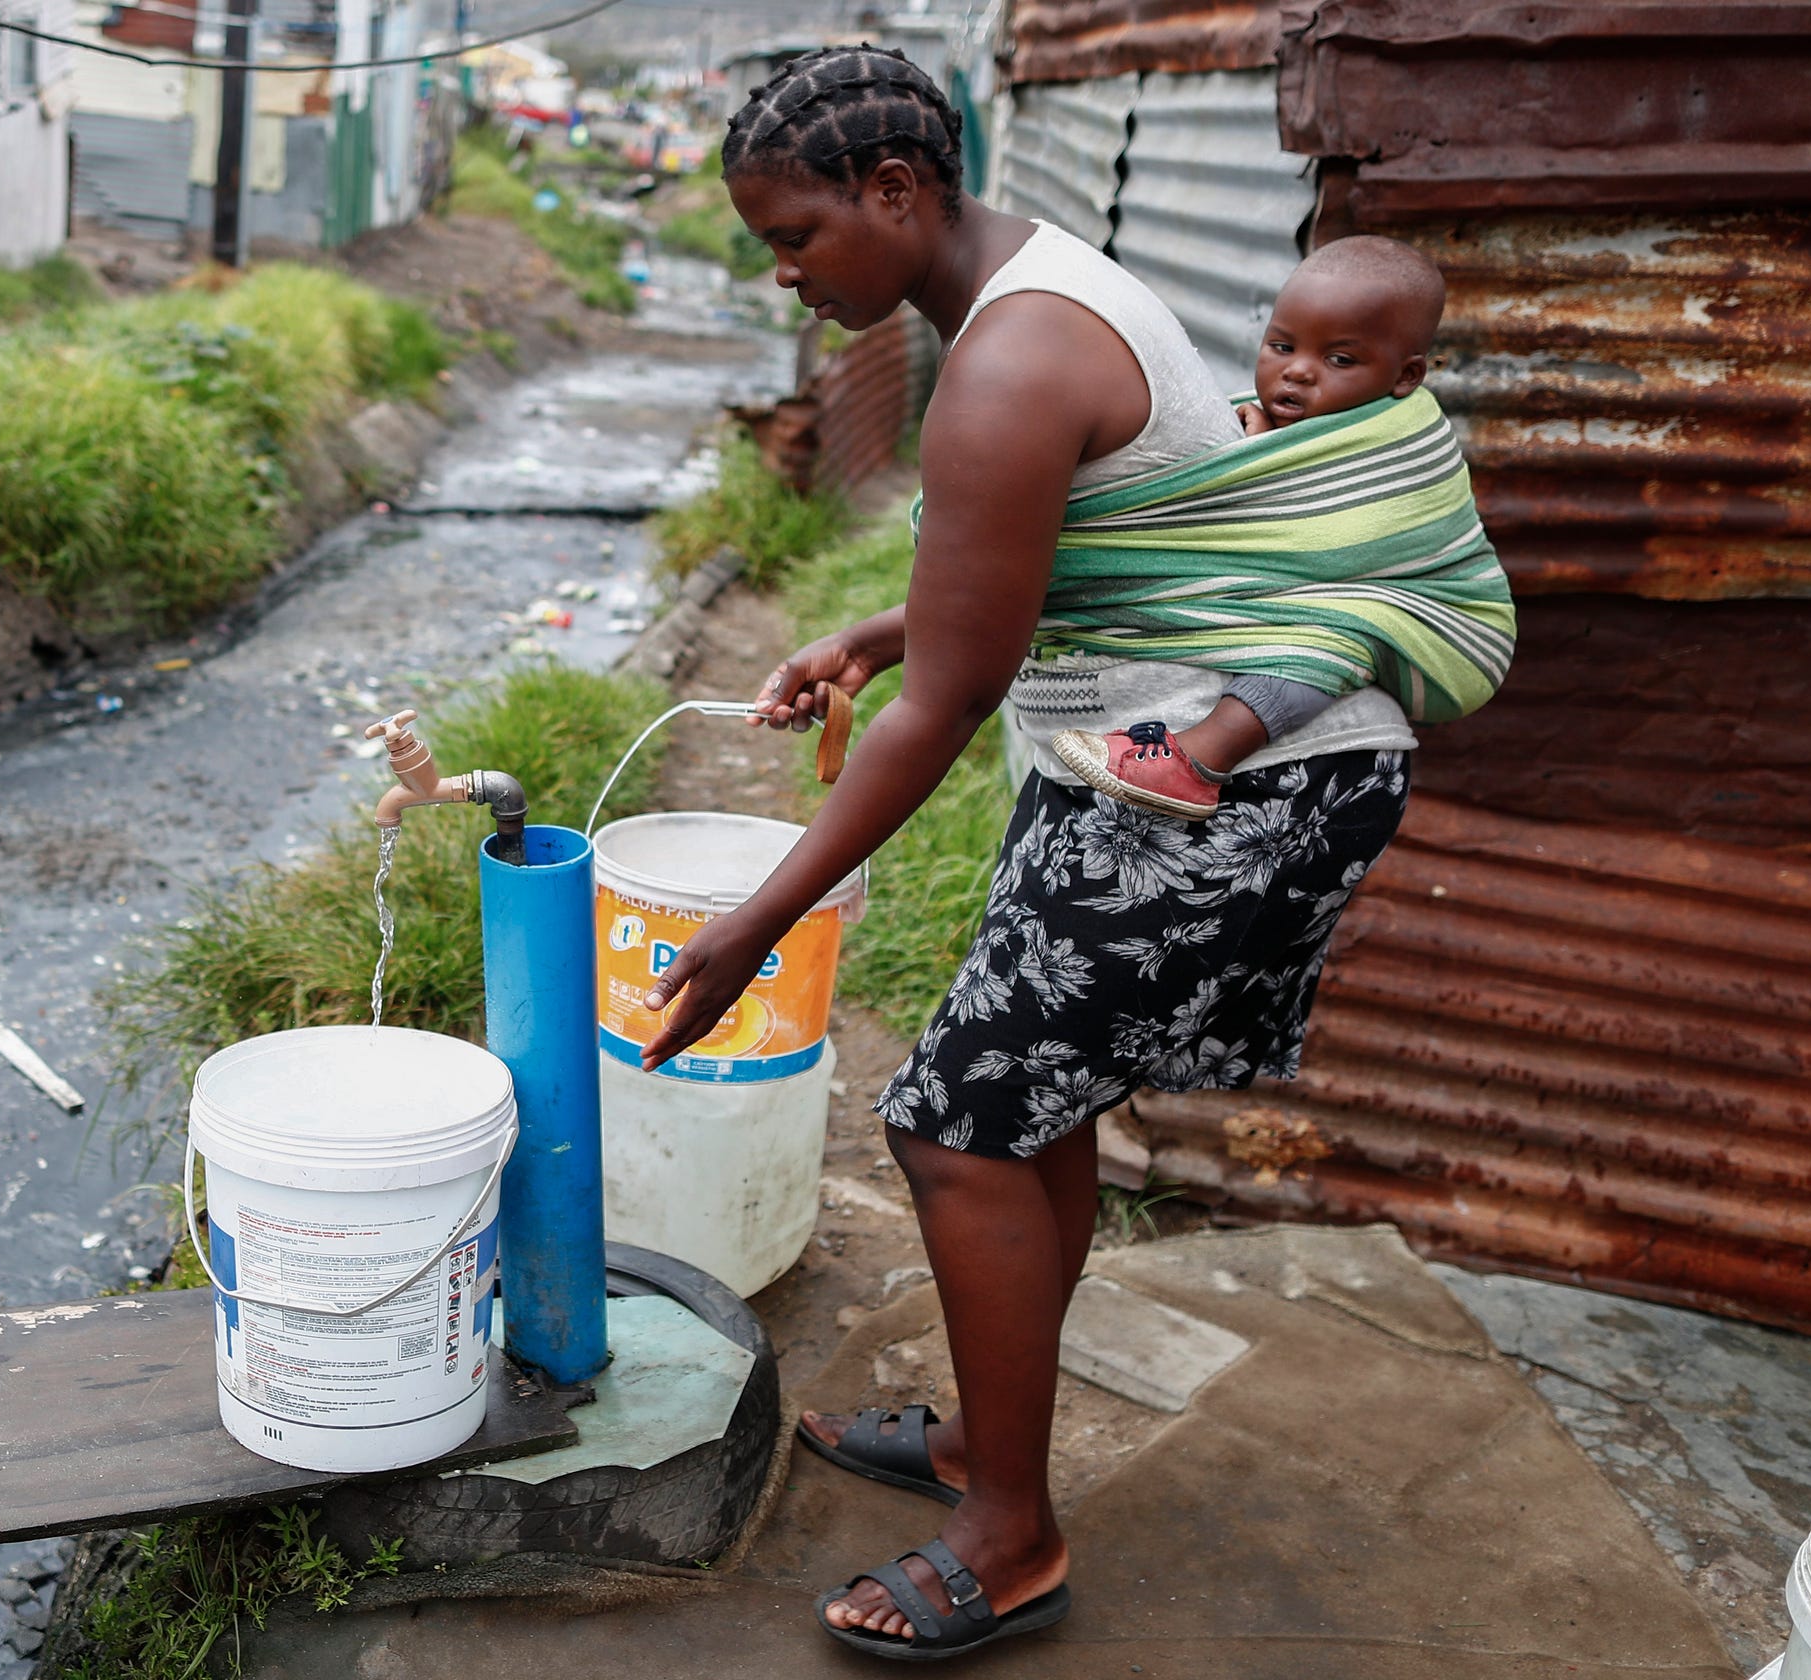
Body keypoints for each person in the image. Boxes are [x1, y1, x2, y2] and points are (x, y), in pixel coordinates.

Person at [644, 45, 1421, 1661]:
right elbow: (1032, 569)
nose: (785, 279)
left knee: (954, 1129)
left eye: (793, 239)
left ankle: (1011, 1536)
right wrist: (878, 627)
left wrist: (753, 930)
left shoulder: (1008, 360)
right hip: (1144, 754)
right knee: (1021, 1104)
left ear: (896, 192)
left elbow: (947, 705)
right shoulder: (1016, 298)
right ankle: (987, 1450)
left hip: (1237, 778)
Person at [1050, 237, 1497, 820]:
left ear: (1406, 375)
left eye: (1339, 360)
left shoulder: (1401, 441)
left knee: (1327, 639)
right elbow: (1255, 517)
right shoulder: (1250, 421)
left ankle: (1196, 761)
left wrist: (1264, 466)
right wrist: (1257, 457)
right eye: (1280, 346)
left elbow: (1339, 539)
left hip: (1442, 621)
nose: (1297, 372)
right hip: (1354, 599)